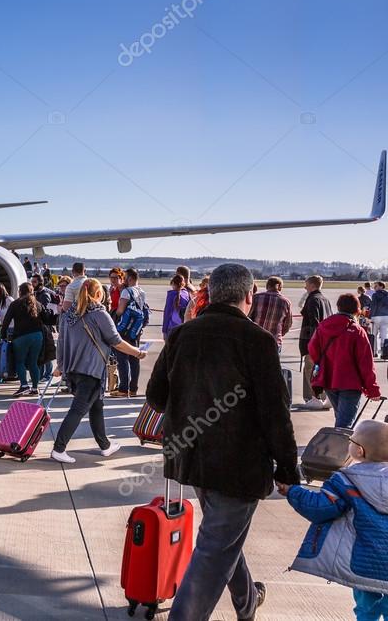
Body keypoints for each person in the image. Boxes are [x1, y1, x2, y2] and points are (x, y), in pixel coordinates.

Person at [146, 263, 299, 621]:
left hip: (191, 458)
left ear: (211, 294)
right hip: (237, 464)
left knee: (222, 537)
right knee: (215, 547)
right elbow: (275, 413)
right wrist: (288, 468)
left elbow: (155, 396)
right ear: (249, 296)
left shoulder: (182, 335)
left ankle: (247, 601)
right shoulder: (257, 341)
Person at [277, 419, 388, 620]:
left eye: (352, 441)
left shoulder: (348, 480)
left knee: (365, 607)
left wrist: (293, 491)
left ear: (360, 452)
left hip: (362, 562)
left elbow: (322, 507)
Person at [51, 279, 146, 463]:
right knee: (78, 410)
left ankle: (105, 445)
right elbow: (115, 341)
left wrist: (61, 365)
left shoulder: (69, 314)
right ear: (99, 294)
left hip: (73, 369)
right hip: (91, 370)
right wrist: (137, 352)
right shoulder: (99, 313)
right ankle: (59, 448)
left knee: (97, 406)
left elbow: (61, 342)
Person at [308, 293, 382, 428]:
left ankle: (340, 446)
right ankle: (340, 448)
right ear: (357, 310)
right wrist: (372, 389)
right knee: (345, 424)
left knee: (341, 417)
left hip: (329, 379)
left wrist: (325, 363)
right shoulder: (356, 330)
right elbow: (365, 363)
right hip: (350, 382)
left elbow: (313, 349)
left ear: (338, 307)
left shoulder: (324, 325)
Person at [1, 282, 52, 397]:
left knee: (20, 362)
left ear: (20, 292)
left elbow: (6, 321)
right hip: (37, 336)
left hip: (21, 337)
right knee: (34, 363)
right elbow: (46, 319)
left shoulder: (15, 304)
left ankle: (24, 385)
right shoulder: (37, 304)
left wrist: (3, 335)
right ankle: (35, 388)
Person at [300, 275, 334, 410]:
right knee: (321, 370)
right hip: (325, 343)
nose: (305, 287)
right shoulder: (325, 300)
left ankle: (312, 398)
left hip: (314, 343)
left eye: (306, 284)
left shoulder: (313, 300)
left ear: (312, 285)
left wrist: (312, 343)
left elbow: (314, 323)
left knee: (309, 369)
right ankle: (324, 396)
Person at [113, 268, 148, 397]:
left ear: (130, 278)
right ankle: (133, 389)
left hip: (124, 329)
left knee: (122, 359)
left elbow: (120, 311)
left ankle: (123, 389)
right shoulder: (142, 292)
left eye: (126, 277)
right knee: (134, 358)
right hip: (135, 329)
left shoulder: (126, 292)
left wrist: (114, 315)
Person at [247, 276, 294, 351]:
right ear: (280, 287)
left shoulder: (256, 298)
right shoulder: (286, 302)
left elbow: (248, 317)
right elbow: (287, 324)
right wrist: (279, 334)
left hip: (255, 340)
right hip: (274, 342)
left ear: (267, 286)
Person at [161, 274, 190, 339]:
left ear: (173, 283)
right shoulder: (186, 294)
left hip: (172, 328)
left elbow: (167, 313)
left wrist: (164, 330)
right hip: (183, 326)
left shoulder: (171, 295)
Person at [369, 281, 388, 359]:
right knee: (384, 335)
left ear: (381, 286)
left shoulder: (375, 295)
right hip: (386, 316)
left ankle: (374, 352)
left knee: (374, 335)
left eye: (376, 286)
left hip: (376, 316)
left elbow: (374, 306)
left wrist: (370, 317)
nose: (374, 288)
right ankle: (384, 352)